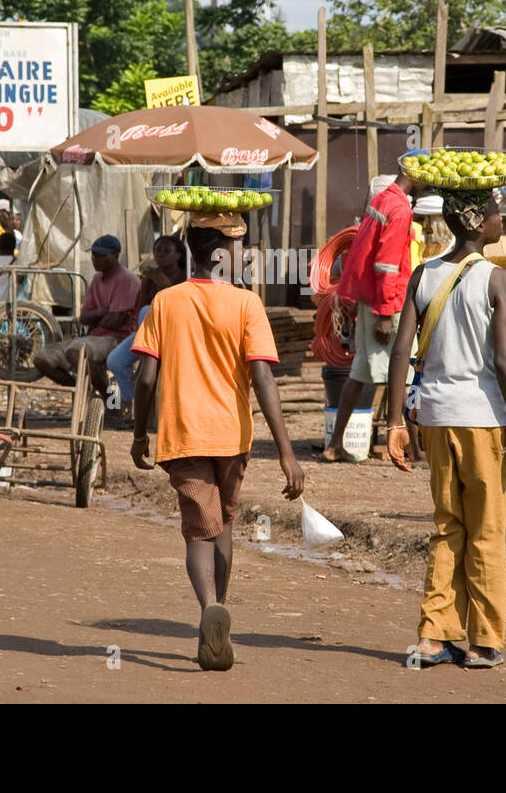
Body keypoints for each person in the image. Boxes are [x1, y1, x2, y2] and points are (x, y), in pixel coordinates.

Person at [130, 217, 305, 672]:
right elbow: (263, 377)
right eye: (240, 247)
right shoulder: (247, 304)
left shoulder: (165, 302)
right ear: (221, 253)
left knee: (197, 529)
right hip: (231, 435)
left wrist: (138, 432)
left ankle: (210, 607)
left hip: (183, 433)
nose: (245, 254)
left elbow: (145, 378)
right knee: (223, 524)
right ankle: (219, 606)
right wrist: (286, 451)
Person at [385, 190, 506, 670]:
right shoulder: (499, 280)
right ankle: (483, 641)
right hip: (483, 419)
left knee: (447, 525)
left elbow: (399, 352)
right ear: (478, 220)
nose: (500, 221)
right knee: (486, 531)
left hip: (434, 417)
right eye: (496, 213)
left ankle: (434, 635)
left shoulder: (423, 274)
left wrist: (394, 422)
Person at [322, 168, 423, 463]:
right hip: (386, 302)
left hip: (371, 298)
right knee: (405, 375)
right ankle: (416, 450)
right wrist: (385, 311)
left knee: (360, 372)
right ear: (414, 176)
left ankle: (334, 444)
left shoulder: (381, 200)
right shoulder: (400, 208)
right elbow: (387, 264)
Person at [32, 234, 140, 396]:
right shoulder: (97, 279)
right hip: (95, 336)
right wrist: (102, 312)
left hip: (117, 338)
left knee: (76, 352)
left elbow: (115, 322)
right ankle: (82, 389)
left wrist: (97, 317)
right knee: (41, 358)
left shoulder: (127, 279)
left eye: (101, 256)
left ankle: (108, 397)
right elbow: (84, 317)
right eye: (94, 255)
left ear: (115, 256)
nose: (95, 259)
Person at [106, 234, 186, 407]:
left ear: (178, 255)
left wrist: (162, 281)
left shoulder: (184, 277)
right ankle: (136, 401)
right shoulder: (149, 279)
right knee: (115, 361)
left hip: (175, 333)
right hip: (149, 331)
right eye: (158, 250)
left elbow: (177, 305)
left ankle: (144, 360)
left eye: (167, 250)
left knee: (148, 309)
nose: (161, 254)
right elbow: (139, 308)